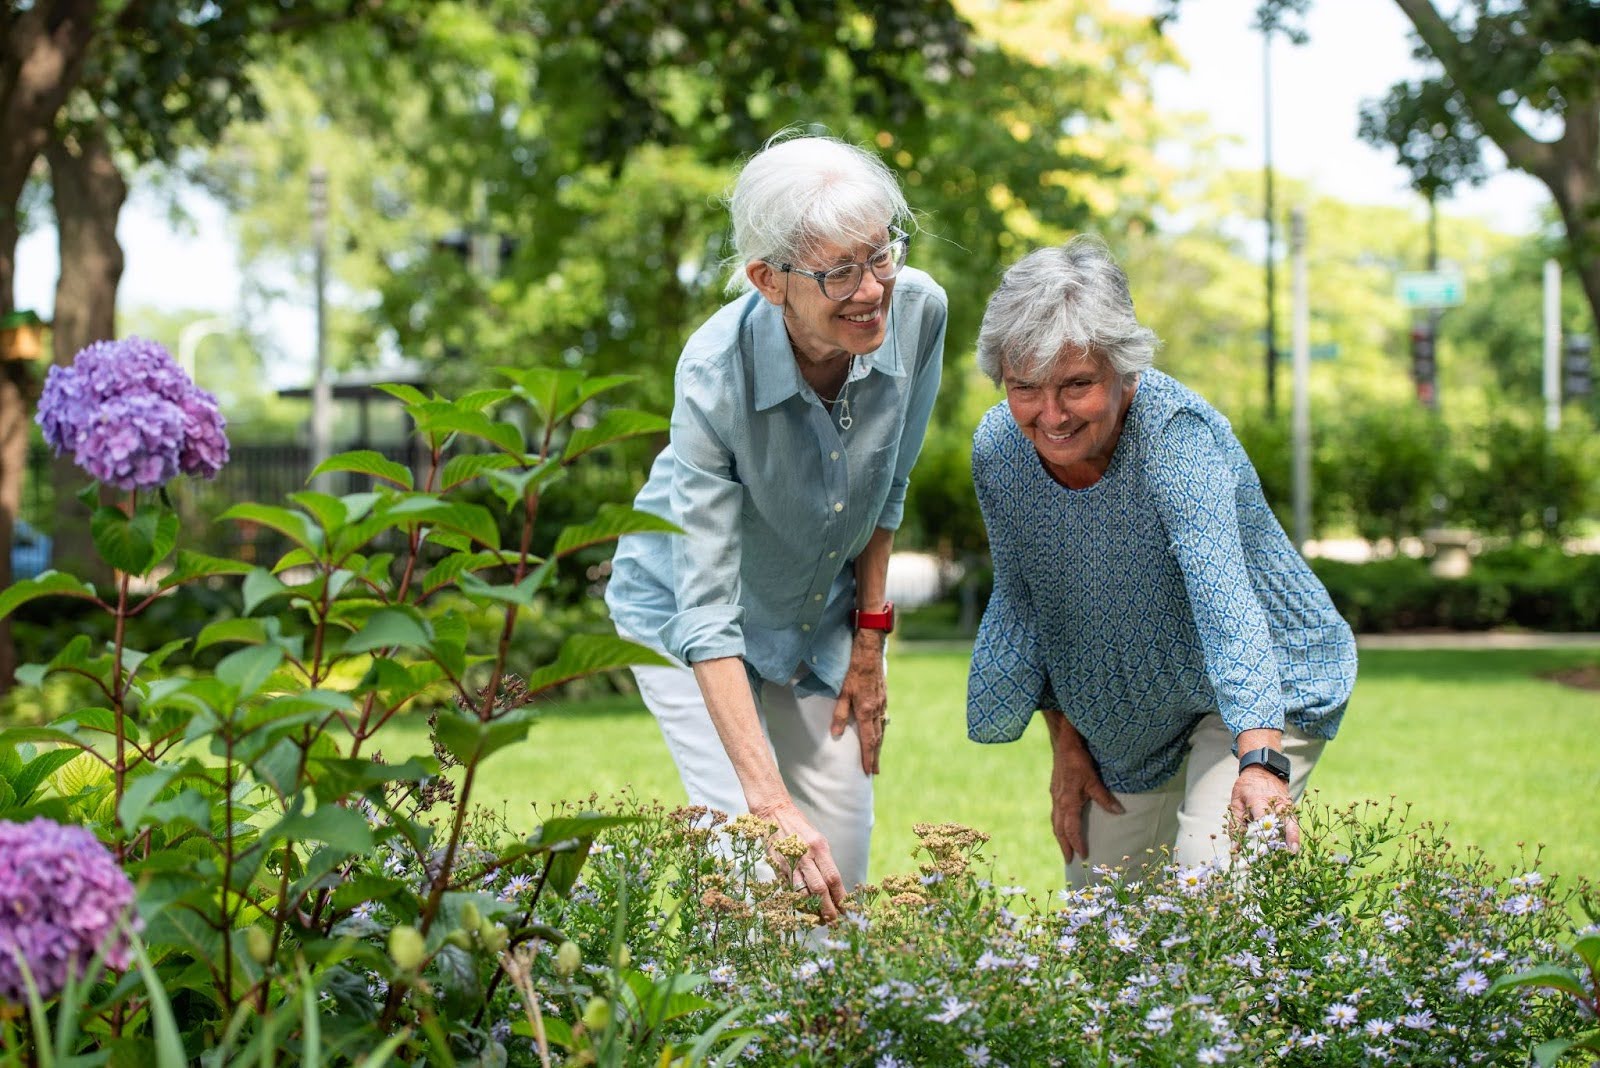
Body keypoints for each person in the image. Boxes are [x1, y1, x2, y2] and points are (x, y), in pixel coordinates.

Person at [605, 132, 947, 919]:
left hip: (815, 609)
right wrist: (765, 803)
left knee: (843, 860)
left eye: (881, 253)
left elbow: (887, 488)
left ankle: (830, 1029)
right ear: (769, 280)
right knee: (762, 862)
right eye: (838, 272)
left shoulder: (919, 308)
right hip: (682, 617)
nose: (872, 290)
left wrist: (870, 646)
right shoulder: (712, 374)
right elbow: (705, 612)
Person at [965, 235, 1356, 890]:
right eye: (1025, 387)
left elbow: (1229, 610)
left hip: (1265, 672)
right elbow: (1037, 610)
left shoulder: (1175, 437)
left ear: (1126, 368)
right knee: (1103, 904)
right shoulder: (999, 449)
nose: (1051, 415)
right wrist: (1066, 742)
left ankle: (1269, 989)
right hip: (1136, 694)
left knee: (1210, 878)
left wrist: (1260, 763)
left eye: (1078, 385)